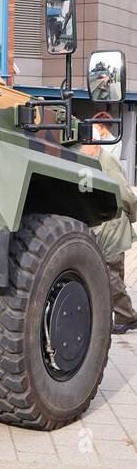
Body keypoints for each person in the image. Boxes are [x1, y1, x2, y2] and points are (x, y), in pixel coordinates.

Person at [84, 115, 137, 334]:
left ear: (94, 144)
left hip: (113, 225)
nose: (82, 148)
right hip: (104, 225)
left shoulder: (106, 160)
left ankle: (126, 317)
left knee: (111, 274)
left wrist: (132, 215)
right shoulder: (90, 161)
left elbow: (125, 193)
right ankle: (122, 315)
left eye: (85, 144)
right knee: (112, 273)